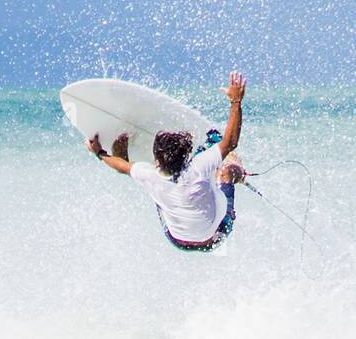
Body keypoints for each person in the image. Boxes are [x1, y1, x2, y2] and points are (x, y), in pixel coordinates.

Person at [87, 71, 248, 252]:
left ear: (156, 158)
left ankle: (125, 151)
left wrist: (99, 152)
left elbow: (120, 167)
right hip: (216, 235)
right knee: (228, 168)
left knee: (152, 185)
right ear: (187, 156)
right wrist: (236, 102)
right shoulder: (199, 167)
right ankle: (239, 174)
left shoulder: (149, 174)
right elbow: (231, 142)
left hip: (177, 240)